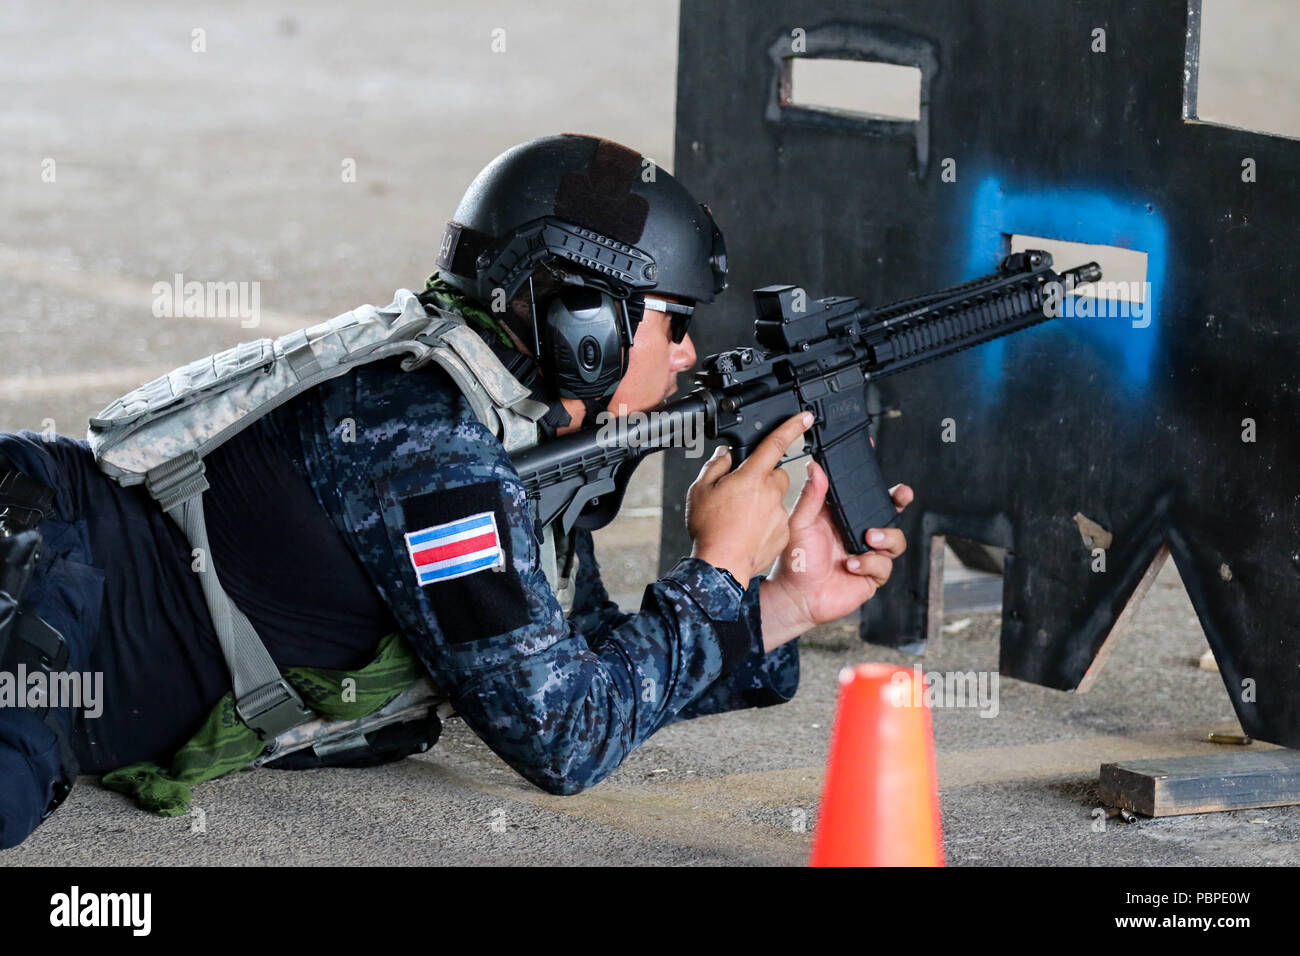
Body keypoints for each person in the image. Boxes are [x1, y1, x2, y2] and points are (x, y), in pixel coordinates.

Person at [0, 133, 910, 849]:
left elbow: (576, 665)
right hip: (34, 563)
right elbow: (563, 736)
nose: (688, 356)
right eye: (674, 322)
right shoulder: (429, 443)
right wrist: (714, 570)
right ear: (585, 324)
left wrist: (781, 604)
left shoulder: (502, 418)